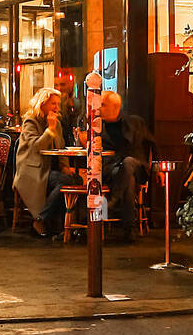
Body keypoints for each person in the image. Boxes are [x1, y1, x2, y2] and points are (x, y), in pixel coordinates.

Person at [81, 90, 155, 241]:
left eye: (103, 104)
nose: (99, 108)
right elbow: (87, 148)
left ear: (115, 107)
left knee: (128, 162)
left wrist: (158, 167)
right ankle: (129, 229)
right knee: (128, 181)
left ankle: (111, 202)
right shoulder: (96, 126)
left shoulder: (134, 122)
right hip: (112, 168)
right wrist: (85, 141)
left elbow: (153, 144)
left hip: (136, 165)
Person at [12, 87, 79, 238]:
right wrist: (49, 130)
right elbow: (37, 146)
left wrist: (65, 166)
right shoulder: (31, 121)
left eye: (58, 104)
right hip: (33, 171)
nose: (57, 108)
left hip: (51, 170)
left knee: (74, 180)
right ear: (42, 104)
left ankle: (66, 224)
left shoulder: (57, 123)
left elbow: (61, 147)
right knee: (64, 183)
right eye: (53, 104)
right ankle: (42, 220)